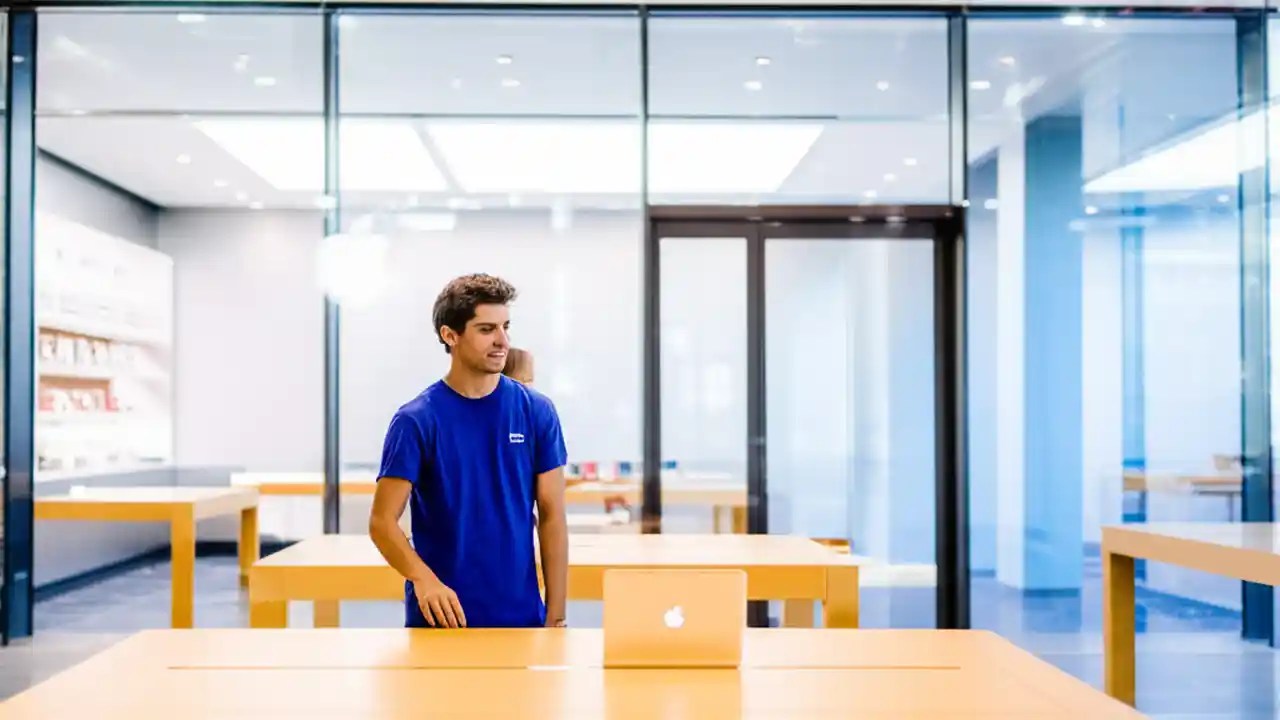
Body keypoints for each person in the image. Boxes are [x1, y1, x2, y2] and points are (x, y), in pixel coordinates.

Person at [368, 274, 569, 629]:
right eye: (486, 329)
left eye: (506, 327)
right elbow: (382, 522)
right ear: (450, 335)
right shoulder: (415, 421)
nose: (502, 341)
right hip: (439, 623)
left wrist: (556, 616)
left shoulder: (537, 412)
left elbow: (552, 516)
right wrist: (423, 579)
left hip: (520, 618)